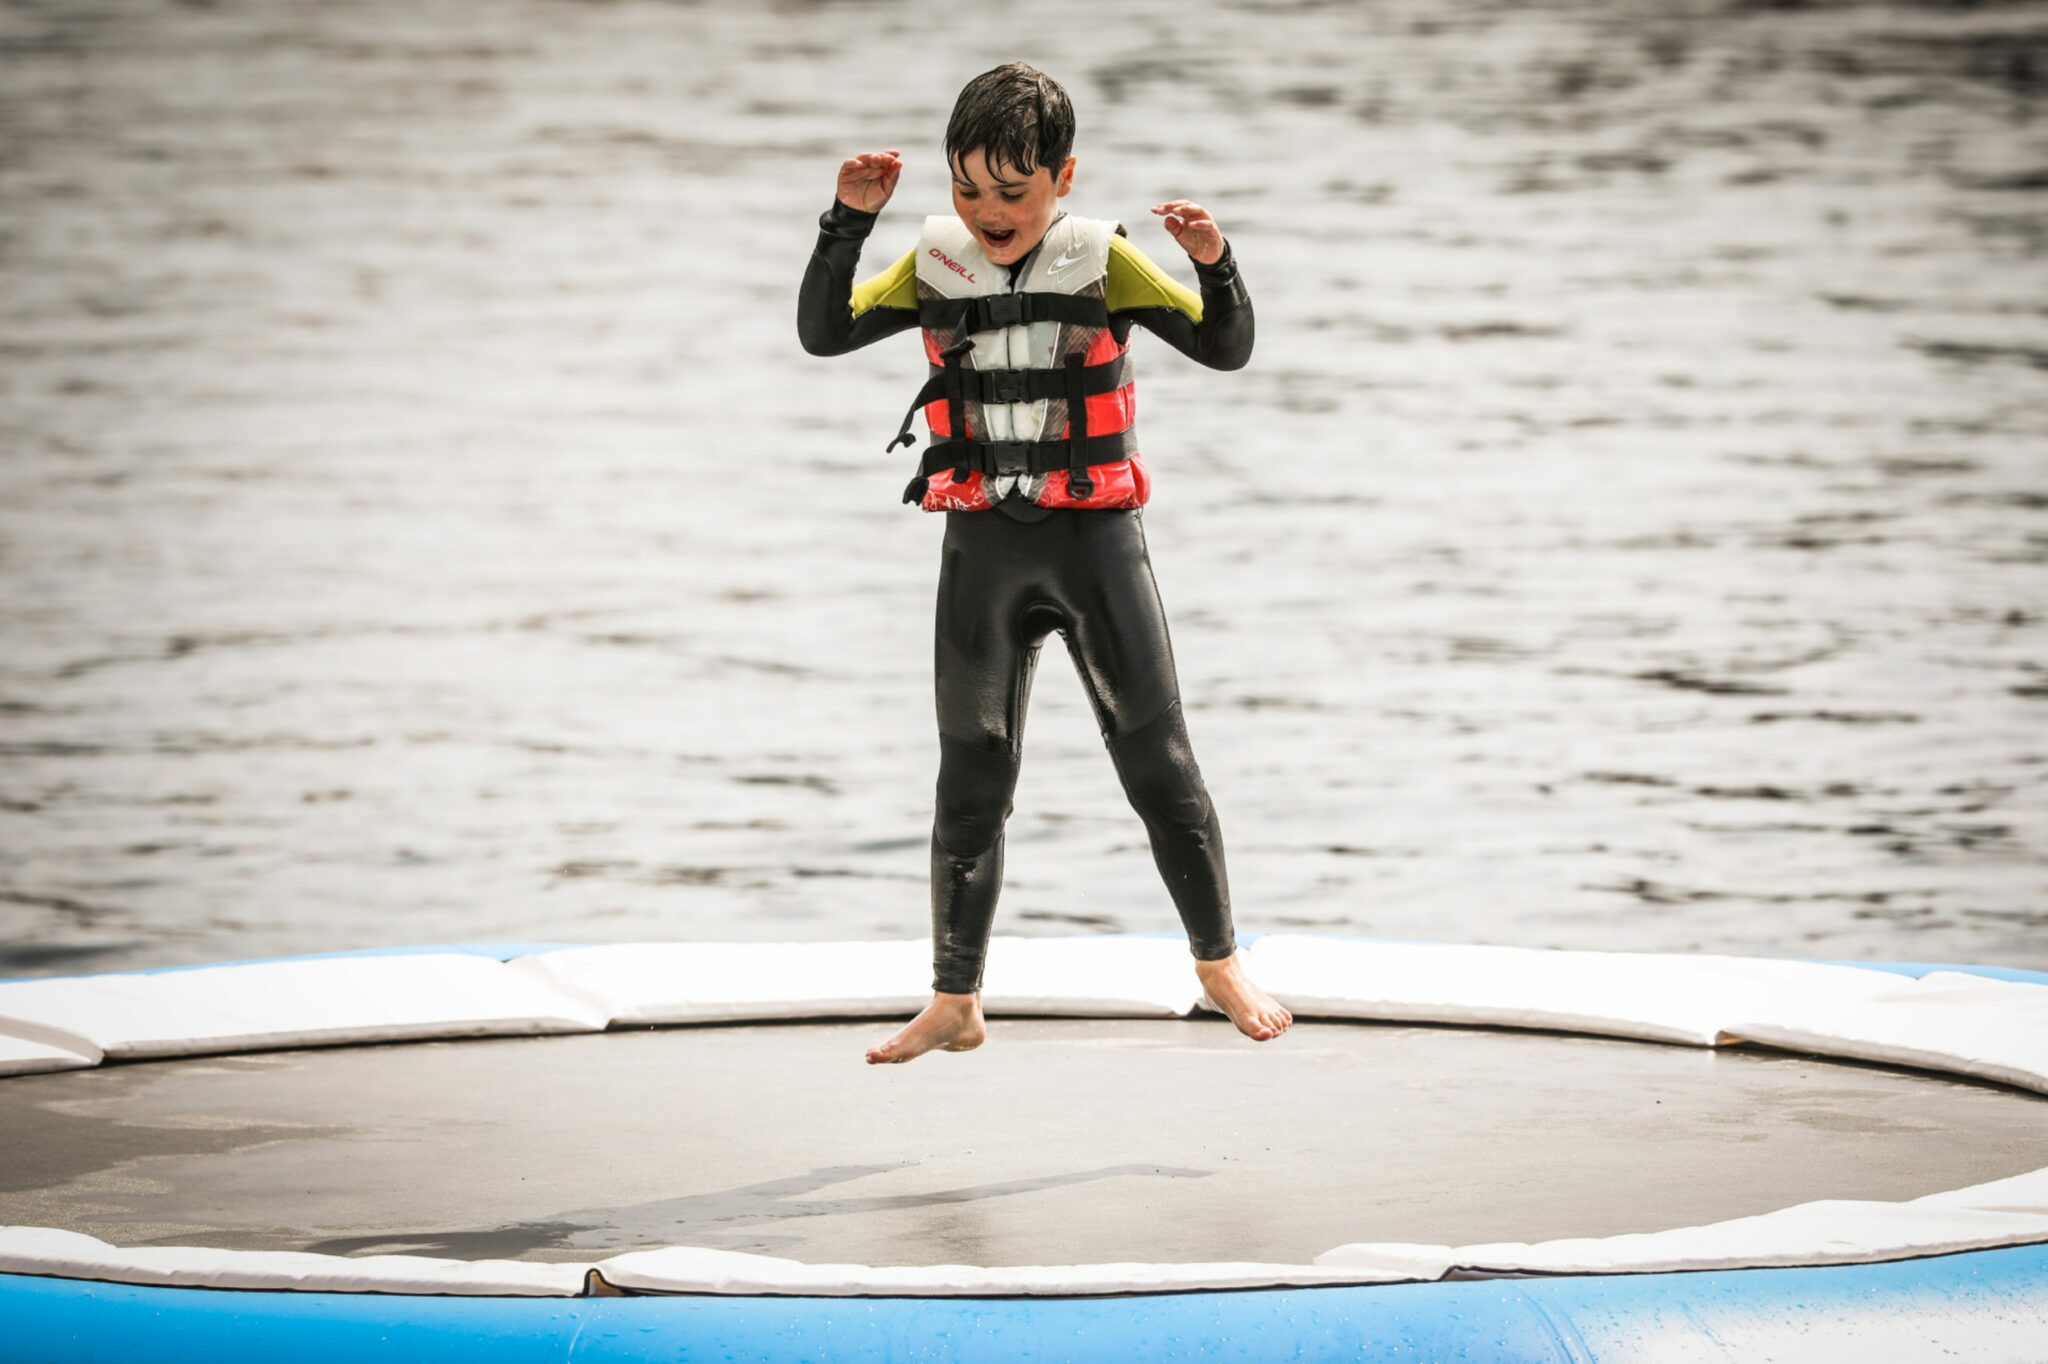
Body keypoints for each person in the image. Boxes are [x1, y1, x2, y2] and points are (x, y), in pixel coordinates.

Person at [797, 62, 1292, 1064]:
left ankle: (1218, 963)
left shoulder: (1104, 264)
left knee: (1157, 765)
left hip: (1095, 549)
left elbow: (1225, 348)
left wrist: (1215, 263)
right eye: (966, 189)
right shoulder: (934, 264)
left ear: (1063, 178)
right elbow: (824, 332)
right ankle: (955, 996)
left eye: (1012, 192)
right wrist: (847, 222)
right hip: (981, 551)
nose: (987, 213)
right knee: (969, 783)